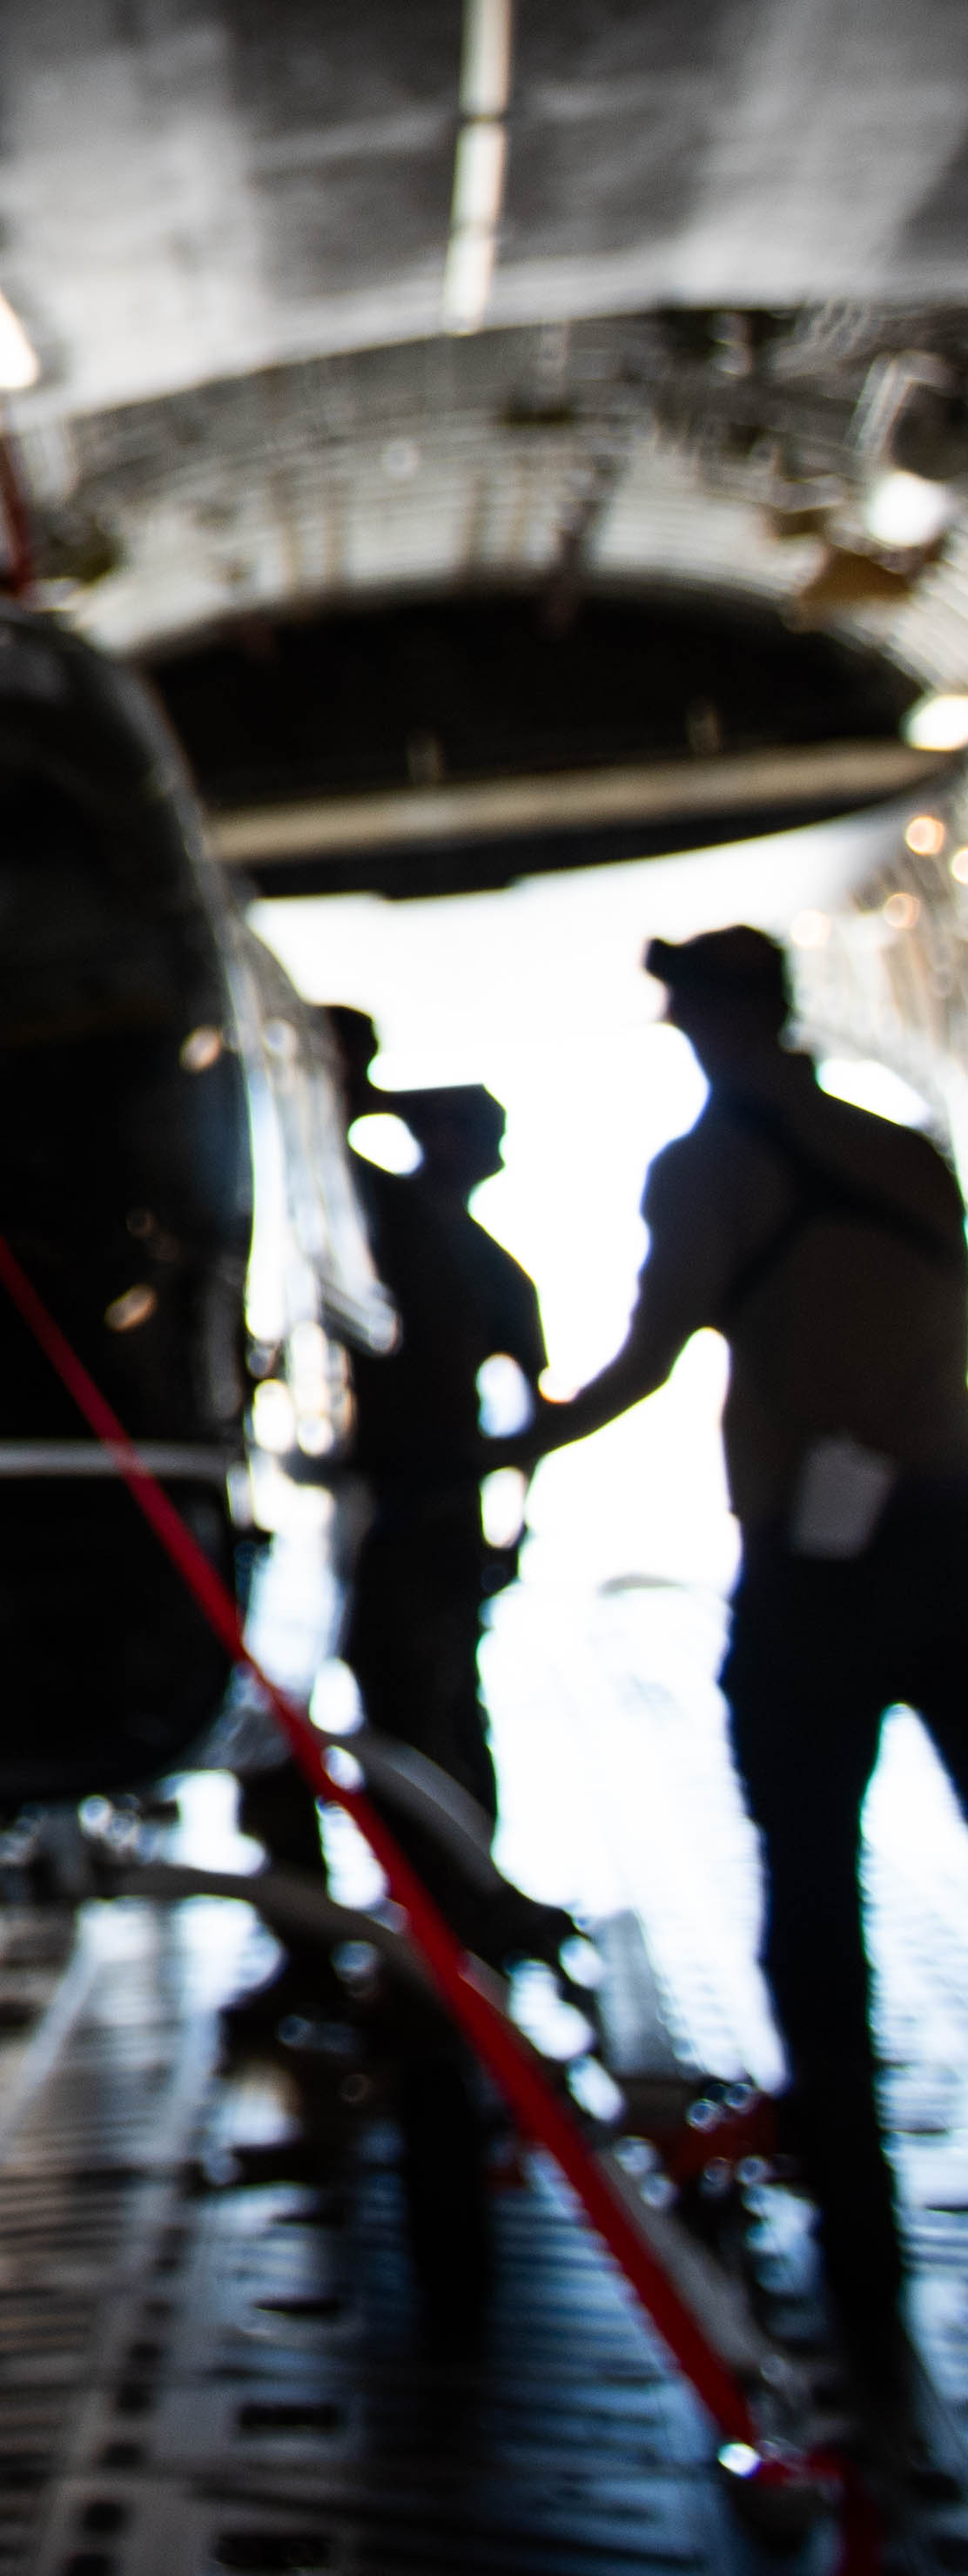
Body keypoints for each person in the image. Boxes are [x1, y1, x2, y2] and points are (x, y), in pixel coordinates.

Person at [517, 925, 968, 2434]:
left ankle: (847, 2178)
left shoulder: (710, 1167)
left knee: (807, 1876)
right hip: (952, 1527)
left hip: (817, 1568)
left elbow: (648, 1356)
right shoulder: (901, 1148)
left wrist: (506, 1447)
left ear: (708, 1019)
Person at [341, 1080, 546, 1825]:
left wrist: (508, 1521)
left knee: (431, 1707)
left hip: (422, 1507)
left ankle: (455, 1892)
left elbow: (526, 1407)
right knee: (428, 1705)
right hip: (402, 1503)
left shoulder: (435, 1241)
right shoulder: (378, 1217)